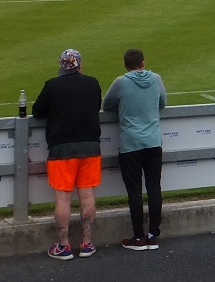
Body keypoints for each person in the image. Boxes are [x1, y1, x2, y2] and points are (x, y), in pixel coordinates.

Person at [32, 49, 102, 260]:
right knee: (87, 194)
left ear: (62, 66)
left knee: (63, 197)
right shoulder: (92, 83)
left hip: (61, 149)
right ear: (79, 65)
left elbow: (37, 112)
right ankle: (87, 243)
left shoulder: (52, 85)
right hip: (90, 147)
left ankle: (64, 246)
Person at [102, 48, 167, 251]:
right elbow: (162, 103)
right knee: (154, 187)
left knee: (134, 190)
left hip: (131, 143)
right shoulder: (156, 79)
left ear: (125, 64)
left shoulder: (121, 82)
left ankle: (138, 237)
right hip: (153, 141)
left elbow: (107, 105)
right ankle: (153, 234)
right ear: (143, 62)